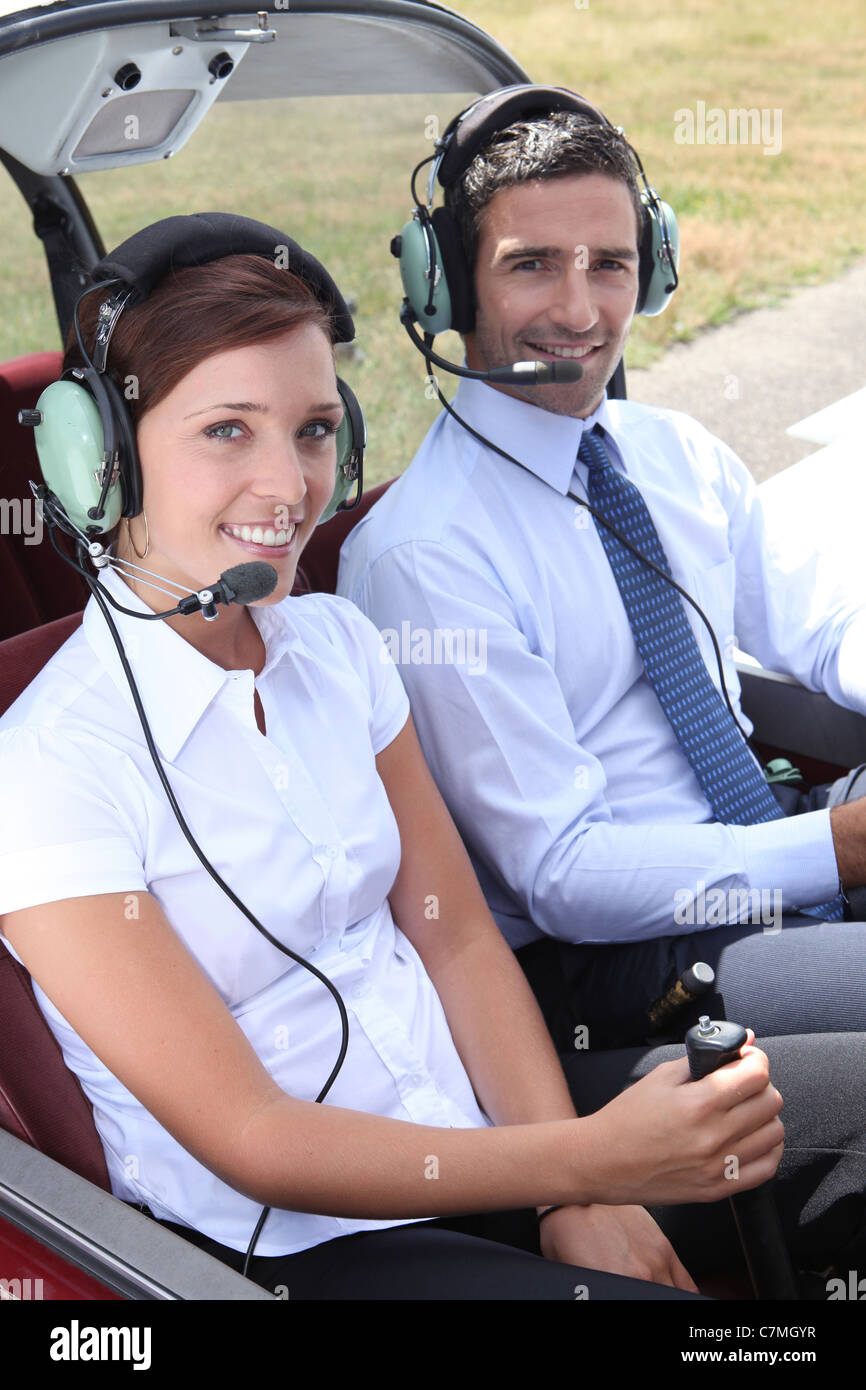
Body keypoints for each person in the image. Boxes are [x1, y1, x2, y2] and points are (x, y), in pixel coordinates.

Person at [0, 213, 861, 1302]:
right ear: (100, 460)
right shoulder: (45, 773)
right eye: (227, 430)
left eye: (314, 429)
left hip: (487, 1129)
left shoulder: (337, 647)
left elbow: (454, 942)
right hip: (302, 1243)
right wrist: (590, 1163)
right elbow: (253, 1136)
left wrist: (568, 1190)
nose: (286, 486)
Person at [338, 86, 866, 1054]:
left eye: (608, 265)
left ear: (651, 270)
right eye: (530, 265)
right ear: (449, 286)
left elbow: (824, 623)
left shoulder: (674, 452)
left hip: (761, 832)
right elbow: (561, 874)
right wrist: (836, 847)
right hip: (612, 951)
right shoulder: (425, 558)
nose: (578, 310)